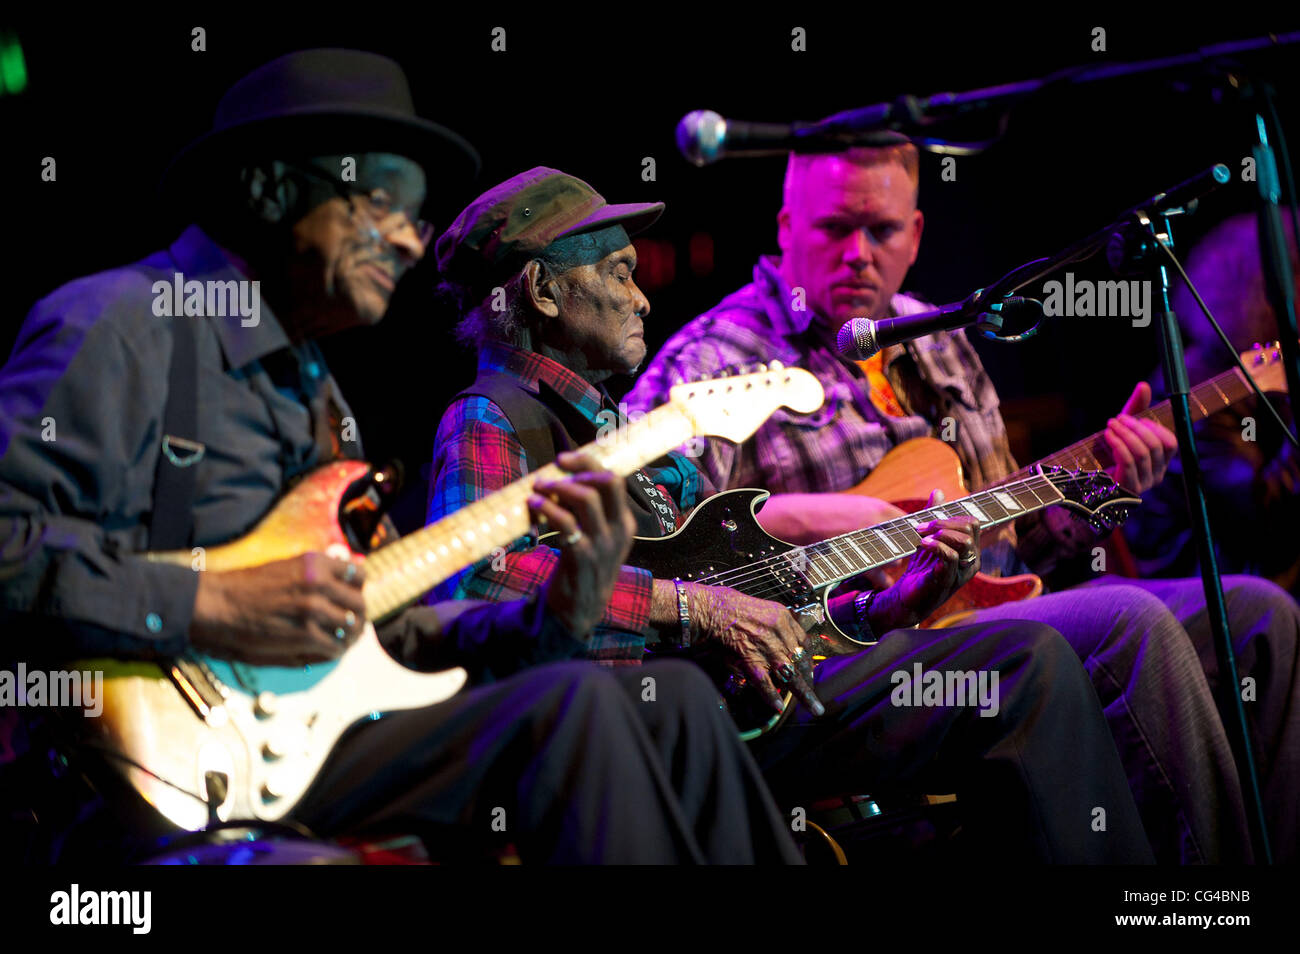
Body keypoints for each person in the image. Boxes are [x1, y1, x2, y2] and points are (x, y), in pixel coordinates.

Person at [0, 50, 801, 865]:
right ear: (273, 190)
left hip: (308, 739)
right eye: (380, 203)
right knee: (572, 708)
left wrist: (558, 609)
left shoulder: (315, 394)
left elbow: (395, 627)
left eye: (416, 219)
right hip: (144, 769)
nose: (408, 243)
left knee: (677, 709)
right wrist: (210, 603)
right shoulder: (119, 327)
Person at [427, 165, 1156, 863]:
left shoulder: (631, 434)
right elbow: (477, 585)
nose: (643, 299)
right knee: (1022, 666)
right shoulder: (494, 416)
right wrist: (692, 608)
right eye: (619, 272)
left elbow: (760, 592)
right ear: (544, 292)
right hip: (651, 722)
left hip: (746, 700)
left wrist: (890, 605)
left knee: (1021, 664)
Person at [626, 143, 1300, 863]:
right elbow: (654, 540)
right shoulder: (713, 360)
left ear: (916, 235)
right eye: (833, 229)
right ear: (787, 227)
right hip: (854, 649)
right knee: (1128, 624)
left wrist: (1097, 495)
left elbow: (1016, 539)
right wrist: (809, 516)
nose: (858, 254)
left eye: (880, 231)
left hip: (981, 611)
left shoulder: (942, 337)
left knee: (1262, 615)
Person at [1122, 211, 1299, 599]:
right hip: (1203, 593)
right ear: (1262, 291)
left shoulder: (1263, 373)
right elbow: (1261, 533)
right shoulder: (1205, 388)